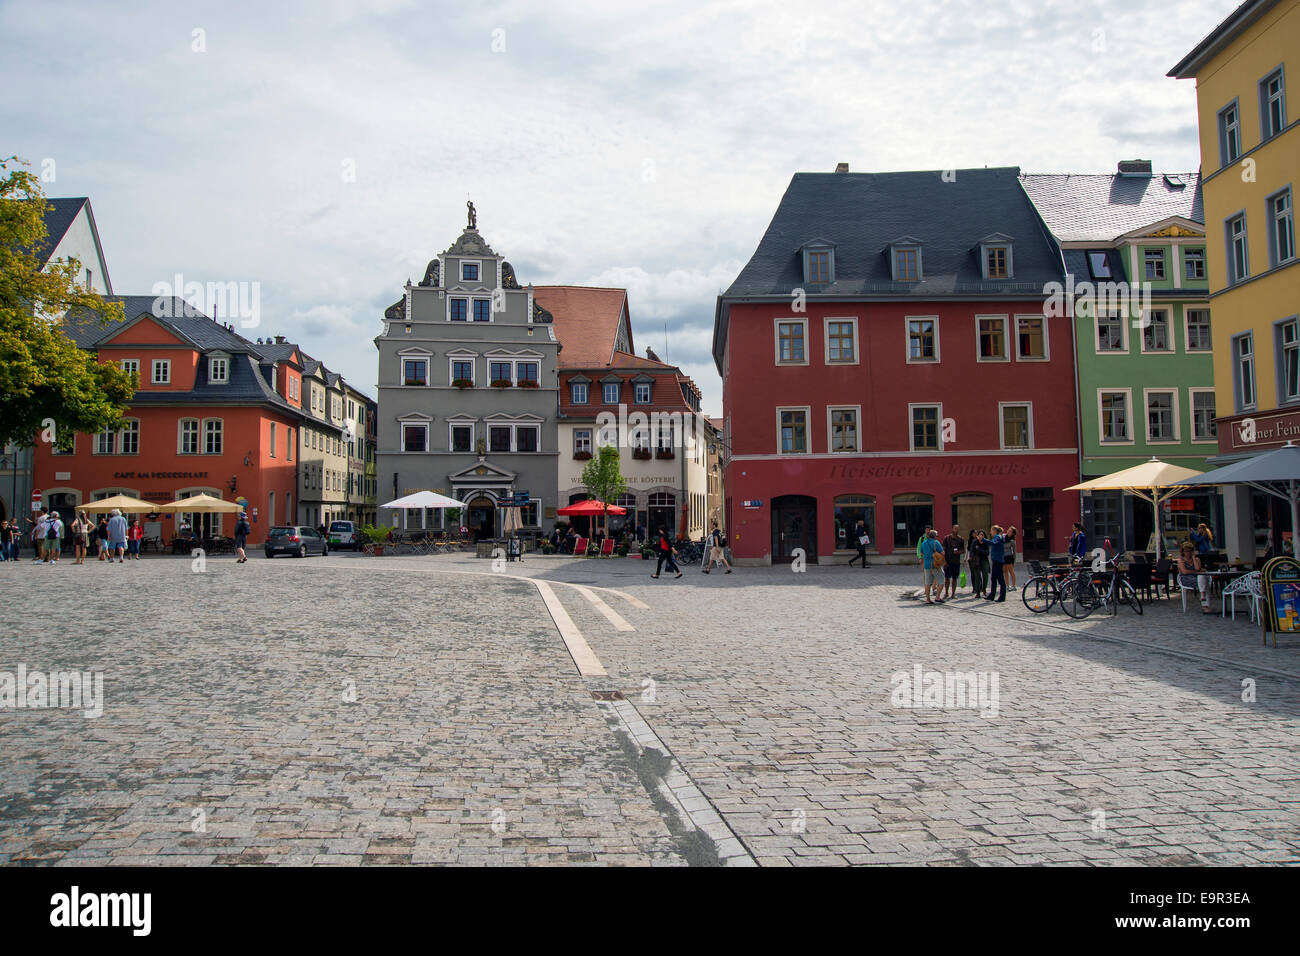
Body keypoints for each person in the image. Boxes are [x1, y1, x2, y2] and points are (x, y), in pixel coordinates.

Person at [1176, 541, 1212, 614]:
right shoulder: (1181, 560)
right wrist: (1196, 571)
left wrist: (1194, 558)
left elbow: (1197, 568)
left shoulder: (1197, 559)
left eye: (1190, 551)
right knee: (1204, 582)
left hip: (1197, 578)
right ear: (1183, 551)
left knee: (1201, 577)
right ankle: (1205, 605)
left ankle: (1202, 596)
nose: (1188, 553)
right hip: (1186, 579)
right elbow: (1185, 572)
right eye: (1186, 551)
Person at [920, 529, 945, 604]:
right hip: (935, 564)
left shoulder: (924, 543)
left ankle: (928, 599)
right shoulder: (936, 542)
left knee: (928, 583)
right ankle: (937, 597)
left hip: (927, 565)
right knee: (941, 580)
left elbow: (921, 553)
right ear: (935, 536)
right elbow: (942, 552)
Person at [942, 524, 964, 600]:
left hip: (956, 562)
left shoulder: (961, 539)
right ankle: (946, 593)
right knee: (947, 578)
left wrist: (958, 552)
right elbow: (943, 550)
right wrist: (944, 561)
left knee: (955, 578)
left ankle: (953, 594)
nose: (956, 530)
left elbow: (963, 550)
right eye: (955, 528)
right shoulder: (947, 538)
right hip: (948, 561)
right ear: (952, 529)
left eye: (957, 529)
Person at [986, 525, 1007, 602]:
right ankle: (992, 595)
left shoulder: (997, 537)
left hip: (998, 561)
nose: (990, 532)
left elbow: (993, 543)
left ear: (994, 530)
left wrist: (984, 540)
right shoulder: (998, 536)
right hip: (996, 561)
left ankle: (1002, 597)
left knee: (1000, 580)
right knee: (993, 579)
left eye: (991, 530)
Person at [969, 529, 990, 598]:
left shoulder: (986, 542)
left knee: (985, 576)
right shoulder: (975, 542)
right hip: (976, 561)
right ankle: (978, 592)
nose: (981, 536)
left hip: (984, 560)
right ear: (977, 536)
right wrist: (971, 557)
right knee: (977, 576)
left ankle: (984, 589)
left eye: (982, 535)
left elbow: (987, 553)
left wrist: (979, 549)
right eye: (979, 534)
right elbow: (971, 551)